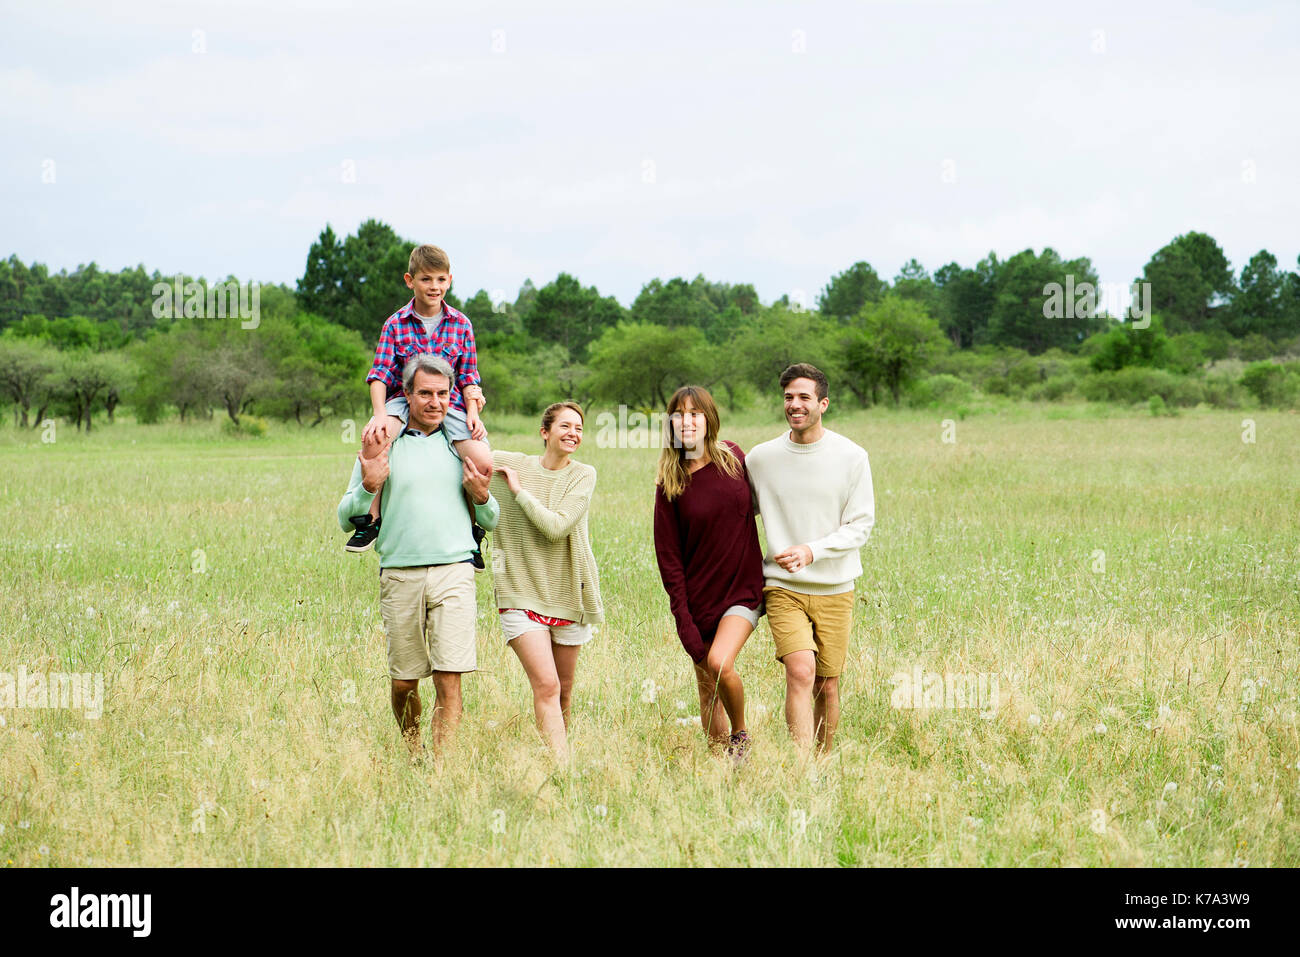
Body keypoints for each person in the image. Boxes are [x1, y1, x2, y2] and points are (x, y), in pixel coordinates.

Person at [336, 354, 499, 759]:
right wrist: (368, 487)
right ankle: (414, 753)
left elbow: (491, 516)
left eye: (443, 394)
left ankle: (441, 770)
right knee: (404, 682)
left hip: (454, 572)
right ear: (405, 395)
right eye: (424, 393)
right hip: (400, 574)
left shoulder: (462, 446)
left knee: (450, 678)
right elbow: (344, 517)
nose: (435, 401)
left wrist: (481, 498)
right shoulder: (381, 445)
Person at [746, 363, 874, 754]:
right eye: (788, 397)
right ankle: (801, 766)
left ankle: (823, 761)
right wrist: (679, 476)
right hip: (783, 587)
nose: (795, 405)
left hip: (836, 587)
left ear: (823, 403)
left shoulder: (852, 457)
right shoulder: (761, 458)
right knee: (801, 671)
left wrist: (811, 550)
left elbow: (861, 524)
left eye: (804, 397)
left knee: (827, 683)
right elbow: (732, 507)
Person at [344, 243, 493, 553]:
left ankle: (472, 528)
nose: (434, 287)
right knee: (374, 438)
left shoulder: (462, 324)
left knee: (482, 460)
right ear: (410, 280)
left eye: (440, 280)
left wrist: (472, 412)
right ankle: (370, 519)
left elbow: (468, 376)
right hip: (404, 399)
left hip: (449, 403)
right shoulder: (395, 324)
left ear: (449, 280)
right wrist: (380, 413)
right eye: (426, 279)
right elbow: (379, 375)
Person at [653, 385, 765, 762]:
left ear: (708, 420)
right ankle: (721, 770)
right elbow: (669, 560)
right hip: (699, 602)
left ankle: (741, 736)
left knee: (719, 663)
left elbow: (767, 504)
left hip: (742, 591)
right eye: (679, 415)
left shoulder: (734, 457)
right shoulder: (670, 483)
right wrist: (682, 619)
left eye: (694, 414)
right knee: (706, 690)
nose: (687, 421)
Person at [489, 402, 603, 763]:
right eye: (565, 426)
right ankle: (562, 767)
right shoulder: (514, 464)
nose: (573, 433)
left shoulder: (583, 474)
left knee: (564, 690)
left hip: (568, 591)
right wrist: (472, 406)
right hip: (519, 592)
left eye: (579, 428)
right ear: (545, 432)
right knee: (547, 684)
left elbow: (557, 527)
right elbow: (467, 451)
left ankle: (556, 755)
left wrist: (519, 492)